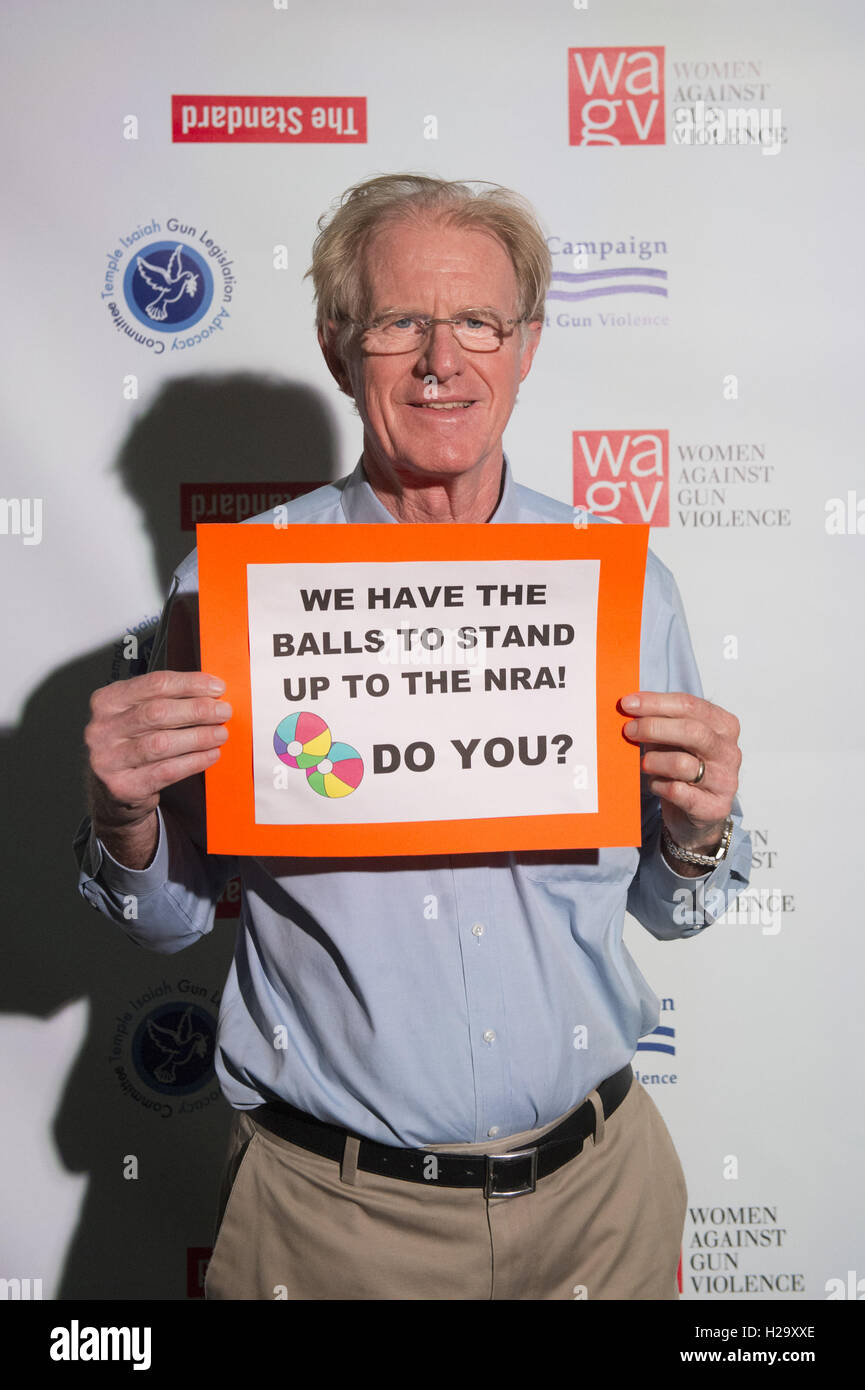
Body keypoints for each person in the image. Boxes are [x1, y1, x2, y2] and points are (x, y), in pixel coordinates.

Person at [77, 173, 750, 1301]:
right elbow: (170, 918)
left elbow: (678, 908)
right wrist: (122, 818)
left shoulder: (622, 586)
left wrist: (697, 833)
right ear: (342, 349)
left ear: (526, 344)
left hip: (601, 1209)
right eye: (399, 322)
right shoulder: (231, 594)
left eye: (479, 321)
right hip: (333, 1225)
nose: (443, 359)